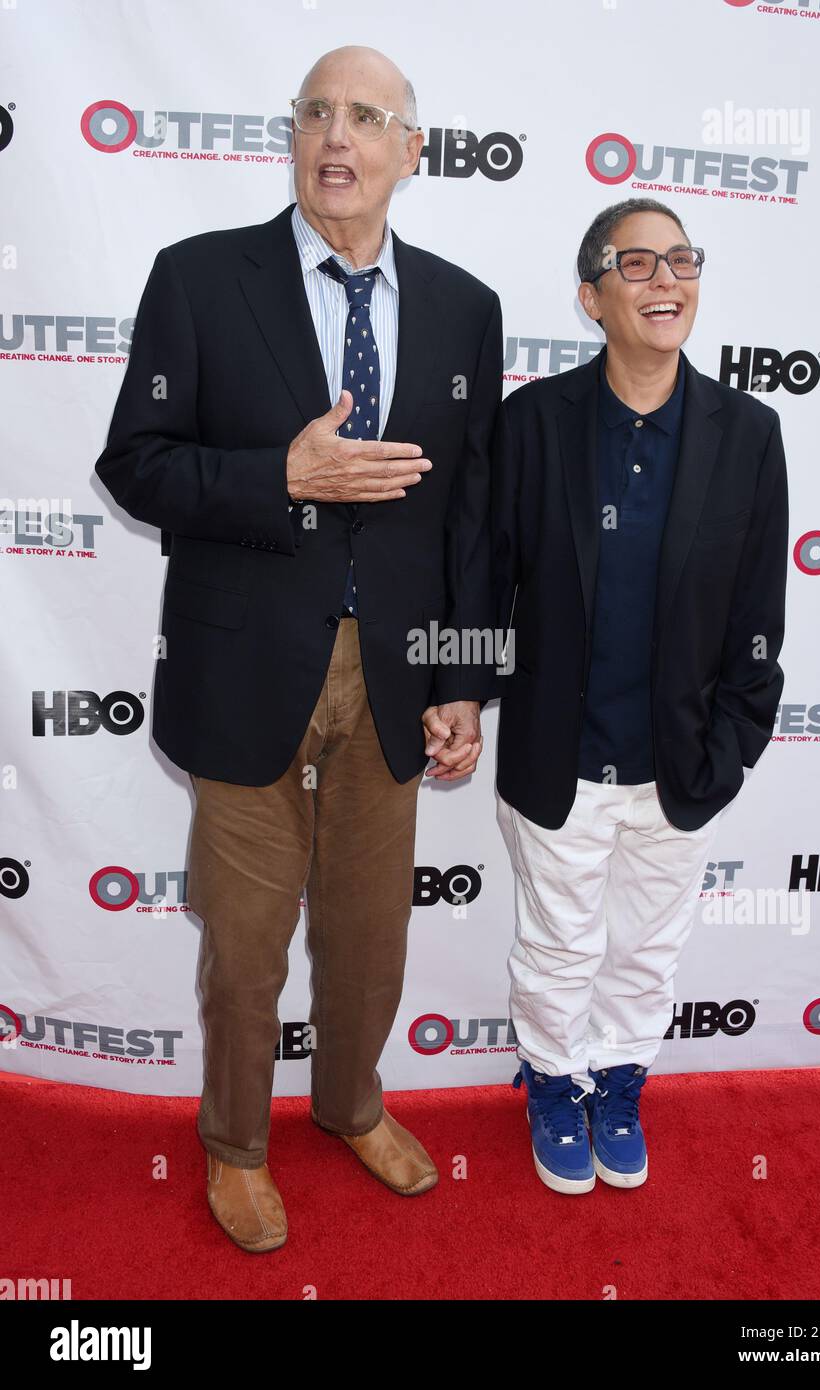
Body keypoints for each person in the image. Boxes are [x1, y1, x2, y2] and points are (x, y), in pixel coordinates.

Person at [95, 45, 501, 1251]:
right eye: (317, 111)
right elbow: (136, 463)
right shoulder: (201, 278)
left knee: (372, 942)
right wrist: (279, 473)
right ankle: (233, 1144)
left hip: (393, 681)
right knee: (245, 948)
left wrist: (466, 677)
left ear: (408, 152)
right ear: (290, 136)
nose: (339, 135)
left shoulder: (465, 306)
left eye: (367, 116)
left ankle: (351, 1104)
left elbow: (472, 515)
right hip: (243, 670)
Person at [490, 197, 788, 1194]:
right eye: (637, 264)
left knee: (647, 946)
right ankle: (549, 1081)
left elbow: (757, 602)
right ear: (590, 296)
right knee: (557, 941)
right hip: (557, 748)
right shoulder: (532, 420)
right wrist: (457, 693)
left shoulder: (747, 432)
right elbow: (484, 572)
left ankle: (616, 1081)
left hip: (681, 755)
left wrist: (735, 739)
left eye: (681, 260)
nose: (666, 280)